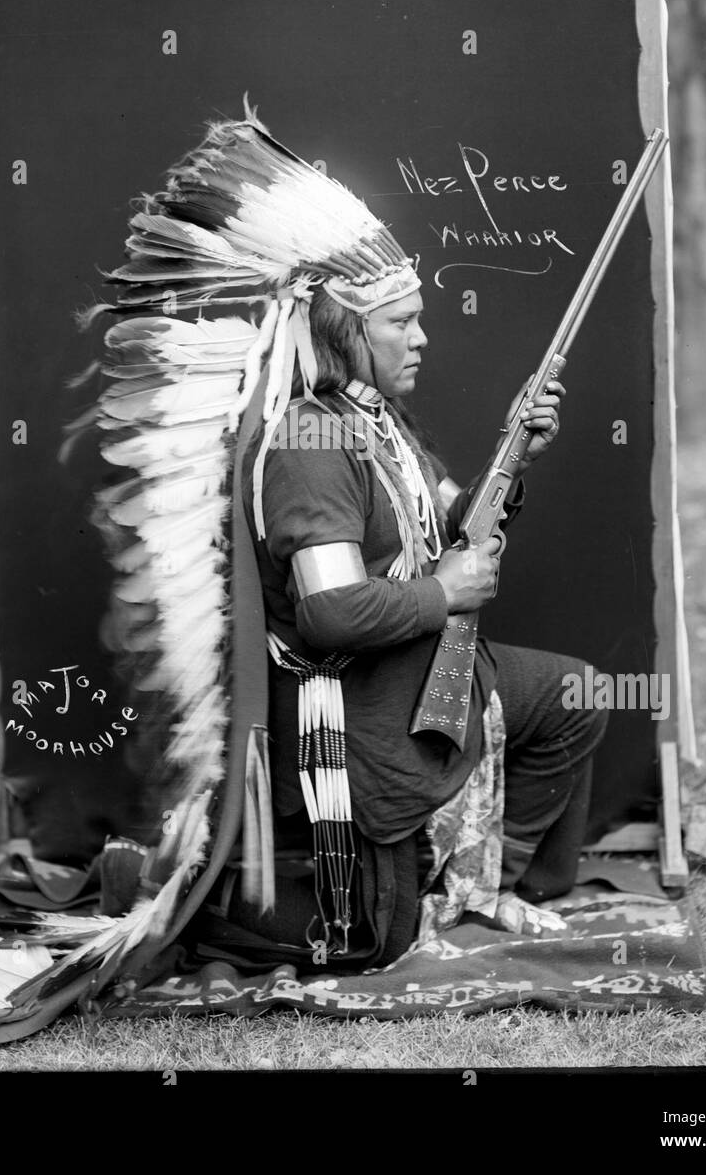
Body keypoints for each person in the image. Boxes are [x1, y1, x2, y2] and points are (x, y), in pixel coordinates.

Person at [198, 270, 609, 967]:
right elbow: (330, 614)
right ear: (341, 331)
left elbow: (452, 520)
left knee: (578, 695)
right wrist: (442, 595)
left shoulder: (373, 421)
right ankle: (202, 908)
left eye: (418, 320)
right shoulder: (310, 442)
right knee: (374, 942)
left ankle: (477, 892)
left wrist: (515, 452)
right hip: (356, 708)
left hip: (423, 670)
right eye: (400, 323)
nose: (421, 339)